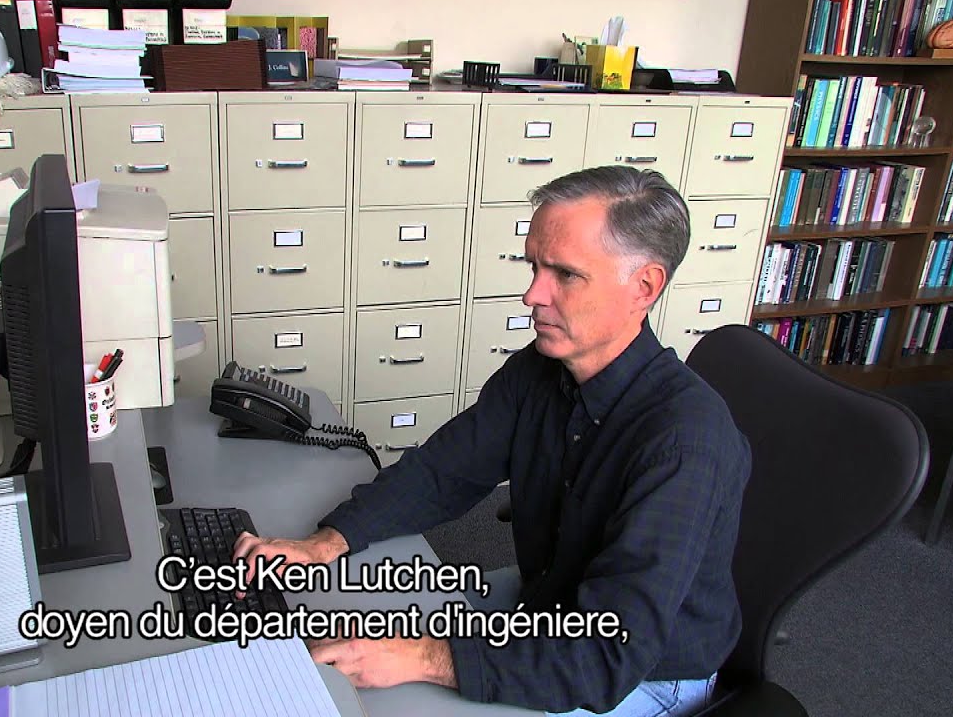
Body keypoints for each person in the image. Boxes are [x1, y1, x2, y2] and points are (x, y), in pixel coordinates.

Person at [231, 165, 751, 717]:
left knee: (400, 690)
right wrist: (328, 542)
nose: (532, 294)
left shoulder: (683, 443)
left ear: (643, 287)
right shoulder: (541, 372)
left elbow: (606, 657)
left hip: (642, 674)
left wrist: (427, 657)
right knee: (349, 634)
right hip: (549, 604)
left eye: (565, 275)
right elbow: (442, 471)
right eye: (533, 266)